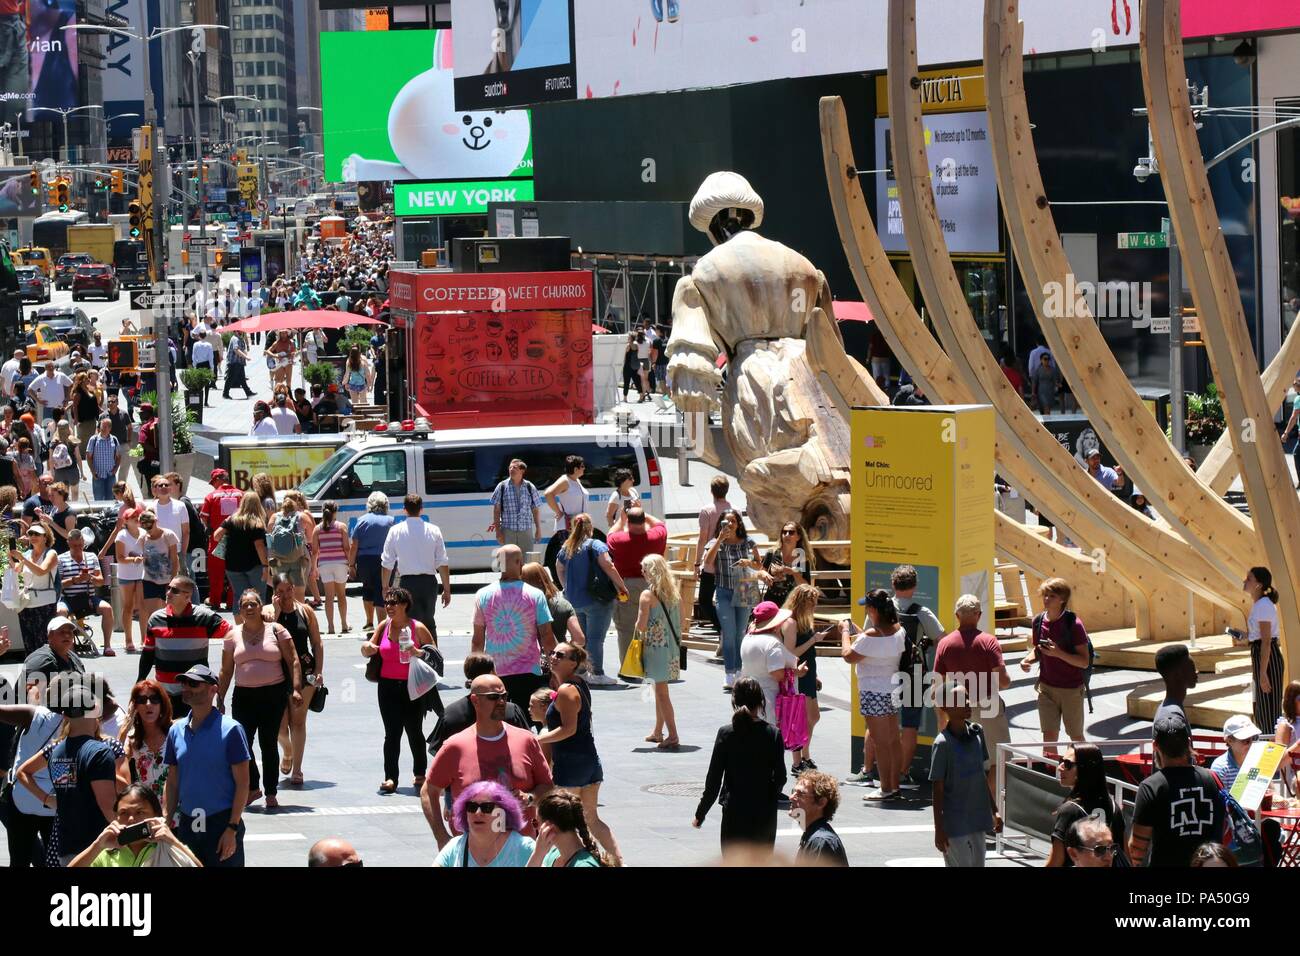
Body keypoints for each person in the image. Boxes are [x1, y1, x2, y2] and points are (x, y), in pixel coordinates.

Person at [422, 673, 553, 849]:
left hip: (519, 851)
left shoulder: (527, 740)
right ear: (475, 700)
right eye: (493, 697)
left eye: (504, 696)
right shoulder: (455, 746)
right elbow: (428, 792)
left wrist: (529, 798)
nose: (501, 702)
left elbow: (548, 787)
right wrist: (441, 836)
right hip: (471, 851)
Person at [537, 642, 623, 864]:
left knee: (563, 821)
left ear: (573, 663)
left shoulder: (566, 690)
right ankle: (619, 861)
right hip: (590, 762)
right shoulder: (579, 684)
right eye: (553, 652)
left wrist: (536, 739)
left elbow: (569, 729)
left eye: (560, 655)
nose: (553, 656)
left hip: (571, 765)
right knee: (592, 819)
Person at [163, 664, 252, 867]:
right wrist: (166, 820)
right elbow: (173, 780)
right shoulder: (176, 730)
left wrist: (232, 828)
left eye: (193, 683)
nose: (186, 687)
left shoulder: (231, 730)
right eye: (184, 682)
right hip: (188, 822)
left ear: (213, 689)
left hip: (221, 822)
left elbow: (243, 784)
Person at [693, 677, 787, 854]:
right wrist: (768, 797)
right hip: (763, 814)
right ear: (761, 701)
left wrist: (701, 813)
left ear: (734, 701)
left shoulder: (726, 733)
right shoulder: (773, 734)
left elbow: (713, 780)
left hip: (734, 812)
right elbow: (781, 777)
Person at [933, 594, 1011, 804]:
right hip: (988, 705)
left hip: (959, 710)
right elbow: (1003, 681)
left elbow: (937, 688)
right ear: (979, 615)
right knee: (998, 759)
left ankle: (970, 805)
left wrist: (942, 719)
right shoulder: (988, 641)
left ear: (957, 616)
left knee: (966, 761)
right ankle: (991, 807)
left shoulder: (945, 644)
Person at [361, 586, 437, 794]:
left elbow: (434, 654)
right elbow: (368, 646)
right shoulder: (384, 625)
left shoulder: (417, 627)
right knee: (391, 733)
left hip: (412, 685)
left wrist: (416, 651)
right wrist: (367, 649)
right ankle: (390, 777)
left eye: (393, 603)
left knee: (414, 730)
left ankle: (420, 772)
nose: (389, 607)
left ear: (404, 605)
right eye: (386, 603)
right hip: (387, 686)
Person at [1128, 712, 1225, 867]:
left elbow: (1138, 849)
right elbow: (1223, 826)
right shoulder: (1211, 779)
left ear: (1155, 746)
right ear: (1188, 743)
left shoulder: (1150, 787)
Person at [470, 545, 555, 714]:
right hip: (529, 671)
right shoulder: (535, 595)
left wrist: (476, 675)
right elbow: (547, 636)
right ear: (520, 562)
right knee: (529, 719)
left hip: (496, 672)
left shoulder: (483, 595)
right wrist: (555, 672)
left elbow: (478, 640)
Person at [842, 589, 906, 801]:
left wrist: (844, 632)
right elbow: (874, 643)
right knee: (893, 741)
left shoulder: (870, 637)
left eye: (867, 607)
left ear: (873, 609)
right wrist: (861, 634)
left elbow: (848, 656)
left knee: (880, 743)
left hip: (873, 692)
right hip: (892, 689)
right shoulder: (898, 630)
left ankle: (886, 788)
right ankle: (894, 785)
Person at [138, 575, 232, 718]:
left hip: (195, 693)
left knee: (197, 735)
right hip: (165, 693)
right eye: (168, 588)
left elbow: (232, 633)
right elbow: (148, 654)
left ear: (188, 596)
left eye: (174, 590)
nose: (168, 593)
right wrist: (140, 681)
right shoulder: (155, 619)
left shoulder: (204, 617)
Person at [554, 513, 628, 685]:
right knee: (595, 638)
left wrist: (566, 587)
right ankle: (596, 673)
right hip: (597, 599)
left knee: (581, 638)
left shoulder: (567, 547)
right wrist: (621, 586)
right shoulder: (596, 545)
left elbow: (559, 568)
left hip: (575, 600)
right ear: (591, 528)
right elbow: (608, 564)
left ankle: (581, 671)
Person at [889, 564, 946, 784]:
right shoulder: (922, 612)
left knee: (882, 721)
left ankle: (872, 769)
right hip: (914, 673)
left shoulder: (882, 608)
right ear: (914, 586)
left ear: (893, 584)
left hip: (887, 671)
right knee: (910, 725)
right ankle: (903, 772)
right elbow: (942, 637)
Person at [265, 573, 323, 787]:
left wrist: (318, 669)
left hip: (304, 669)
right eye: (280, 591)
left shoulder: (305, 611)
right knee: (279, 726)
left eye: (288, 589)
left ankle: (297, 769)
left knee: (298, 722)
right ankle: (287, 750)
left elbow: (316, 642)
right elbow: (263, 635)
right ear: (274, 593)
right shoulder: (268, 612)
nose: (286, 594)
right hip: (276, 671)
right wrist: (276, 611)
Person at [0, 678, 65, 866]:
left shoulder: (32, 714)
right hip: (55, 802)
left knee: (19, 859)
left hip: (23, 797)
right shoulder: (81, 722)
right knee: (55, 860)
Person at [1019, 577, 1090, 746]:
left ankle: (1087, 768)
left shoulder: (1074, 624)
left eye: (1051, 596)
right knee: (1049, 738)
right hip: (1046, 688)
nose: (1046, 599)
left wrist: (1058, 653)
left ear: (1062, 599)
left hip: (1071, 690)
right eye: (1044, 595)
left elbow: (1084, 662)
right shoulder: (1038, 621)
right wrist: (1027, 660)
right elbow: (1039, 650)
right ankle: (1049, 771)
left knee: (1076, 737)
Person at [929, 682, 994, 867]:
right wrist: (939, 829)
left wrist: (994, 811)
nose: (967, 702)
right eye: (959, 699)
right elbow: (937, 788)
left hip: (977, 819)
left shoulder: (977, 732)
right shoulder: (942, 744)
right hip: (954, 823)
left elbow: (982, 776)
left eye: (967, 696)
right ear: (945, 707)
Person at [69, 783, 202, 868]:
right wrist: (97, 845)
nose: (131, 819)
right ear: (116, 817)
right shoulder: (108, 852)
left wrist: (172, 841)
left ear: (155, 814)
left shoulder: (167, 847)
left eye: (140, 812)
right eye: (124, 813)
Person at [426, 653, 530, 757]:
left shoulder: (450, 714)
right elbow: (526, 744)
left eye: (504, 696)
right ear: (491, 673)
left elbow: (439, 751)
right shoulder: (511, 711)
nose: (501, 702)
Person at [701, 508, 760, 690]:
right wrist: (719, 539)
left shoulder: (748, 542)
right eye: (725, 522)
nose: (729, 525)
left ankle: (740, 671)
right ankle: (729, 672)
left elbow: (760, 564)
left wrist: (748, 562)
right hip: (724, 590)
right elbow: (708, 562)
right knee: (728, 633)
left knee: (740, 633)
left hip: (744, 588)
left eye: (733, 521)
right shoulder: (715, 542)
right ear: (720, 524)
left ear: (739, 524)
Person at [380, 492, 451, 638]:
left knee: (408, 623)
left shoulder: (395, 531)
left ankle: (410, 656)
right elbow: (442, 563)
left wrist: (385, 587)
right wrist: (447, 588)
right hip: (429, 582)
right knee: (429, 622)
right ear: (421, 509)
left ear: (404, 510)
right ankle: (432, 656)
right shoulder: (434, 530)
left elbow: (387, 563)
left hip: (407, 583)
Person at [1046, 744, 1125, 867]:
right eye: (1061, 761)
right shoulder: (1114, 808)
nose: (1060, 767)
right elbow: (1126, 856)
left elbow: (1055, 862)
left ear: (1085, 769)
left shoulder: (1070, 811)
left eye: (1068, 764)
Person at [636, 553, 682, 749]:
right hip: (671, 648)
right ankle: (657, 731)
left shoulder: (647, 595)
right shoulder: (674, 594)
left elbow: (642, 625)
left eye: (644, 569)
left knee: (662, 693)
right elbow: (681, 622)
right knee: (660, 690)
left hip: (655, 649)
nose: (642, 573)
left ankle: (672, 734)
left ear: (650, 572)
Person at [780, 584, 828, 772]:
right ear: (802, 603)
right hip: (798, 673)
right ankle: (797, 760)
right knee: (801, 719)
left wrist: (815, 674)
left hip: (808, 673)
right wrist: (813, 640)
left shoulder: (802, 620)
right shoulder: (790, 622)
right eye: (812, 603)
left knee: (813, 717)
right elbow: (791, 653)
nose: (814, 606)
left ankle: (804, 755)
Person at [434, 781, 536, 868]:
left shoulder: (524, 848)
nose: (478, 812)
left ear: (502, 813)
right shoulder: (455, 847)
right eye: (472, 807)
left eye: (487, 807)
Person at [740, 600, 804, 730]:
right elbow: (777, 674)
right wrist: (797, 671)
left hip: (750, 696)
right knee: (770, 740)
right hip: (769, 700)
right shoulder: (772, 643)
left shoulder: (747, 638)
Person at [55, 523, 115, 652]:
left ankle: (107, 646)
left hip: (88, 598)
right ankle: (67, 648)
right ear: (68, 543)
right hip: (68, 599)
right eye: (75, 546)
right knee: (60, 612)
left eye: (80, 545)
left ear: (83, 542)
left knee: (107, 608)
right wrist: (74, 580)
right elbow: (58, 585)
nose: (78, 548)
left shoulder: (91, 557)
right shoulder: (61, 559)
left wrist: (90, 578)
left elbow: (100, 581)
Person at [212, 490, 271, 607]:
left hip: (232, 565)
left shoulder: (231, 519)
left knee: (239, 597)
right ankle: (258, 623)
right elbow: (259, 546)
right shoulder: (257, 523)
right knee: (258, 597)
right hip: (254, 565)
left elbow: (216, 536)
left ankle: (239, 624)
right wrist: (265, 566)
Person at [1242, 566, 1284, 732]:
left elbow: (1266, 642)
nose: (1244, 581)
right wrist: (1245, 635)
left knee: (1268, 709)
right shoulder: (1259, 605)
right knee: (1261, 706)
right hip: (1262, 655)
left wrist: (1263, 672)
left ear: (1258, 584)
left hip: (1268, 658)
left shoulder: (1264, 605)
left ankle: (1272, 749)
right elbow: (1259, 637)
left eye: (1249, 579)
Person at [117, 678, 173, 800]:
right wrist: (123, 731)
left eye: (154, 699)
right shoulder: (132, 739)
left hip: (176, 807)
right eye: (142, 700)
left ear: (162, 704)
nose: (148, 704)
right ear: (134, 706)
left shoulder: (175, 732)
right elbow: (113, 761)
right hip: (148, 809)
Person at [528, 789, 615, 867]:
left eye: (535, 823)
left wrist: (538, 854)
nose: (536, 830)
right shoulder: (553, 855)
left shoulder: (584, 865)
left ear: (548, 827)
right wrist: (538, 854)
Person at [349, 491, 394, 632]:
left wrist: (351, 565)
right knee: (382, 590)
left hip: (365, 560)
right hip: (384, 561)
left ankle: (369, 622)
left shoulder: (362, 520)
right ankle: (382, 626)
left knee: (367, 589)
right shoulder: (390, 521)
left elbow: (354, 545)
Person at [9, 523, 58, 651]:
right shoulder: (26, 554)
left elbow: (41, 571)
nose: (33, 536)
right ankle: (31, 671)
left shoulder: (51, 553)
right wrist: (12, 560)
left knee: (44, 644)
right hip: (26, 604)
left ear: (45, 537)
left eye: (37, 534)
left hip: (45, 603)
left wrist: (23, 559)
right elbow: (17, 570)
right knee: (29, 644)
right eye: (30, 533)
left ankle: (48, 670)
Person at [694, 476, 732, 636]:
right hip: (729, 562)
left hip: (711, 563)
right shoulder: (734, 510)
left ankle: (723, 630)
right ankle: (727, 631)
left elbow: (702, 539)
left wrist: (697, 564)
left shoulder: (706, 511)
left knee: (704, 600)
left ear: (711, 491)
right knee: (727, 601)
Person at [200, 469, 243, 610]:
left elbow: (204, 518)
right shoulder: (242, 495)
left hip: (217, 539)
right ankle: (233, 602)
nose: (213, 485)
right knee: (236, 573)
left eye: (213, 482)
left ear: (218, 479)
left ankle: (215, 602)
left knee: (216, 574)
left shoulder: (211, 496)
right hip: (237, 540)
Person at [790, 770, 849, 866]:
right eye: (793, 792)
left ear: (821, 803)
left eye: (800, 794)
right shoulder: (812, 835)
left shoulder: (821, 842)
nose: (791, 797)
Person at [522, 562, 584, 648]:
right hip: (556, 658)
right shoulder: (562, 605)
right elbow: (579, 639)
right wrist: (563, 652)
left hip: (528, 657)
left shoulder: (518, 607)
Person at [313, 500, 352, 634]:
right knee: (341, 595)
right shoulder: (341, 527)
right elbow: (347, 548)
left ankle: (330, 626)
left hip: (324, 564)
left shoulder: (317, 529)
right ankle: (344, 624)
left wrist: (314, 568)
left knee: (329, 597)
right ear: (335, 512)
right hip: (340, 563)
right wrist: (351, 563)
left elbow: (314, 551)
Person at [489, 458, 543, 553]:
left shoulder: (530, 487)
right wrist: (498, 532)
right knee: (509, 563)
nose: (511, 469)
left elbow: (535, 510)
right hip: (508, 531)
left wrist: (538, 529)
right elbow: (496, 511)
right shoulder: (502, 486)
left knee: (527, 562)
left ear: (522, 470)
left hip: (526, 531)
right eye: (510, 467)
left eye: (515, 467)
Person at [135, 509, 179, 627]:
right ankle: (156, 639)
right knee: (153, 614)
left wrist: (173, 581)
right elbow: (135, 553)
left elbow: (175, 560)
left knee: (169, 612)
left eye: (150, 525)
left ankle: (168, 638)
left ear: (156, 521)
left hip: (167, 580)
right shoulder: (143, 538)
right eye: (145, 527)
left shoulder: (168, 535)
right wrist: (137, 558)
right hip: (149, 580)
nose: (148, 529)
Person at [1153, 643, 1197, 759]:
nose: (1197, 672)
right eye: (1192, 668)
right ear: (1178, 674)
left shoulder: (1171, 708)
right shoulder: (1172, 715)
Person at [758, 521, 813, 610]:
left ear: (798, 537)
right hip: (771, 603)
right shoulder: (772, 553)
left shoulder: (801, 558)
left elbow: (806, 586)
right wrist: (765, 575)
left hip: (792, 605)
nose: (787, 535)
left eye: (791, 532)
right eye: (784, 532)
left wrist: (794, 573)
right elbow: (760, 572)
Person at [267, 497, 311, 601]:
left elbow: (268, 537)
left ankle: (279, 614)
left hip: (278, 561)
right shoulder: (301, 516)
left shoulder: (274, 517)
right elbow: (310, 538)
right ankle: (298, 615)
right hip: (297, 560)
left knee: (278, 590)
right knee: (299, 591)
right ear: (295, 507)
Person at [150, 475, 191, 576]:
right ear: (155, 489)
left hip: (176, 553)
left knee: (179, 586)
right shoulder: (150, 507)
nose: (164, 487)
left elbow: (186, 532)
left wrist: (183, 554)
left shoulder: (180, 506)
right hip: (157, 554)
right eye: (160, 485)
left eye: (166, 485)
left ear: (170, 488)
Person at [1210, 715, 1262, 792]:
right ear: (1229, 741)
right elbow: (1219, 801)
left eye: (1254, 738)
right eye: (1246, 740)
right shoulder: (1220, 768)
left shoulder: (1256, 760)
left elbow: (1268, 788)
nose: (1251, 744)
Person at [543, 454, 587, 541]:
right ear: (575, 469)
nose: (584, 468)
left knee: (579, 552)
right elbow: (548, 494)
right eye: (582, 466)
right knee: (569, 553)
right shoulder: (565, 480)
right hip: (568, 526)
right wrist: (559, 512)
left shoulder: (576, 480)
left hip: (578, 524)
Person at [84, 416, 120, 503]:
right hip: (98, 475)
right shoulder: (94, 439)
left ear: (110, 428)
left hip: (110, 475)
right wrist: (92, 471)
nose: (102, 429)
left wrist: (115, 469)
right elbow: (88, 457)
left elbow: (119, 456)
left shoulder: (114, 440)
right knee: (98, 500)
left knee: (110, 499)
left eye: (105, 427)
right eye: (101, 426)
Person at [46, 423, 82, 504]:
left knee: (62, 494)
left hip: (59, 472)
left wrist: (52, 472)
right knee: (75, 492)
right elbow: (78, 457)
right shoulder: (73, 440)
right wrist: (82, 472)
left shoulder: (54, 442)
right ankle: (74, 510)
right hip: (72, 471)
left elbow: (51, 459)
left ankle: (65, 509)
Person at [223, 331, 255, 400]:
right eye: (239, 330)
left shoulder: (240, 338)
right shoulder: (235, 339)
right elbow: (236, 350)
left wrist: (245, 353)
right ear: (236, 331)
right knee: (230, 378)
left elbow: (242, 349)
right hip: (234, 362)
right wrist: (245, 357)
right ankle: (225, 394)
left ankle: (248, 392)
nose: (242, 332)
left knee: (242, 378)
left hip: (239, 362)